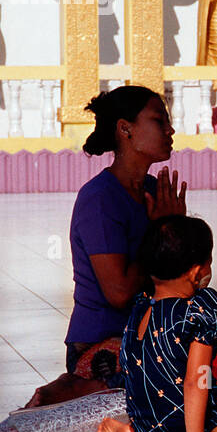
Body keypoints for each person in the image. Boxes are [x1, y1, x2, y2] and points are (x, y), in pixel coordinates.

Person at [24, 86, 187, 407]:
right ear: (125, 129)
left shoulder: (156, 191)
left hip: (147, 332)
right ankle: (74, 387)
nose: (170, 130)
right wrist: (159, 231)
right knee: (171, 385)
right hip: (100, 343)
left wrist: (177, 231)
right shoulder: (99, 198)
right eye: (159, 120)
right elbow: (119, 293)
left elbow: (176, 275)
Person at [95, 215, 217, 432]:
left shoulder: (140, 307)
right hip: (183, 430)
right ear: (197, 271)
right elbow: (197, 380)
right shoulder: (197, 313)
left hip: (149, 427)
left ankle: (129, 431)